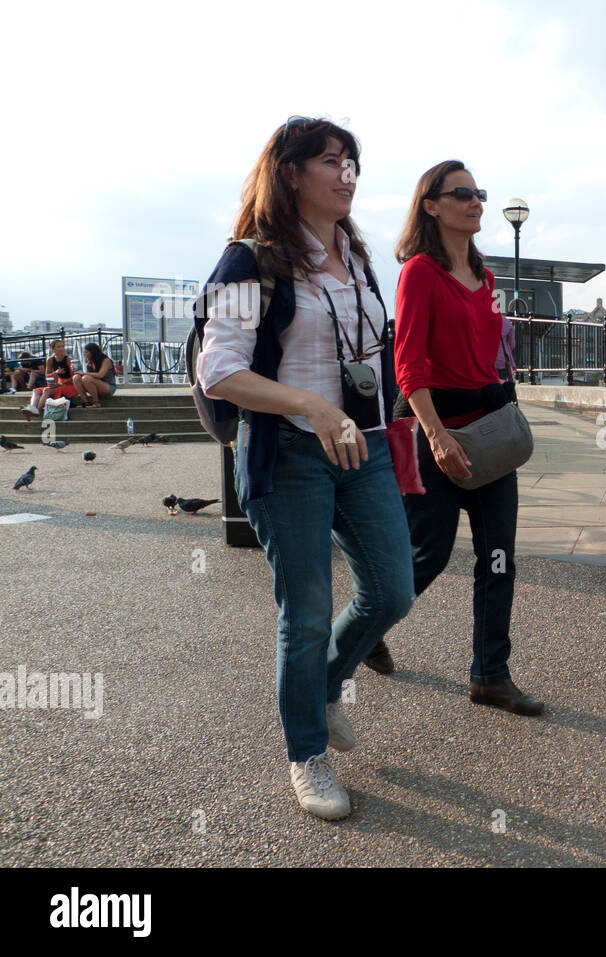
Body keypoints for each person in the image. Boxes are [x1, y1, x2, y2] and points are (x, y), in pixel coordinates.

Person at [195, 116, 415, 821]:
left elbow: (372, 351)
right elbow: (220, 369)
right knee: (308, 610)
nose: (347, 172)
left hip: (365, 445)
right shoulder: (247, 260)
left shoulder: (356, 256)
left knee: (392, 590)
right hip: (289, 451)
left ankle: (318, 688)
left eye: (353, 161)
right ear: (291, 172)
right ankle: (306, 752)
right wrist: (314, 409)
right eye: (331, 160)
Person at [380, 158, 542, 716]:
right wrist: (437, 436)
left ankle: (490, 675)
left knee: (499, 556)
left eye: (479, 194)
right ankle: (366, 626)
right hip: (435, 429)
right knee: (427, 555)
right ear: (432, 205)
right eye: (462, 194)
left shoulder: (485, 274)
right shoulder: (419, 272)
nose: (476, 203)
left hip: (488, 431)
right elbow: (409, 364)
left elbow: (487, 356)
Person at [23, 339, 77, 415]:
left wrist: (60, 383)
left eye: (62, 346)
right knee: (36, 391)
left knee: (46, 391)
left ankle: (37, 410)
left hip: (68, 384)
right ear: (53, 349)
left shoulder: (68, 359)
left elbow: (73, 377)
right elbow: (47, 375)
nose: (61, 349)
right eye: (59, 347)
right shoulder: (50, 360)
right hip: (57, 383)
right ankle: (32, 408)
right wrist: (55, 372)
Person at [73, 343, 117, 407]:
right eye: (84, 352)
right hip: (95, 384)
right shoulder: (90, 360)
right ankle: (86, 402)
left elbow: (100, 375)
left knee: (86, 378)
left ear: (93, 352)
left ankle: (96, 402)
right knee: (76, 378)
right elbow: (90, 375)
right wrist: (76, 372)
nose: (84, 354)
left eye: (86, 352)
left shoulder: (106, 360)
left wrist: (83, 373)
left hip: (108, 387)